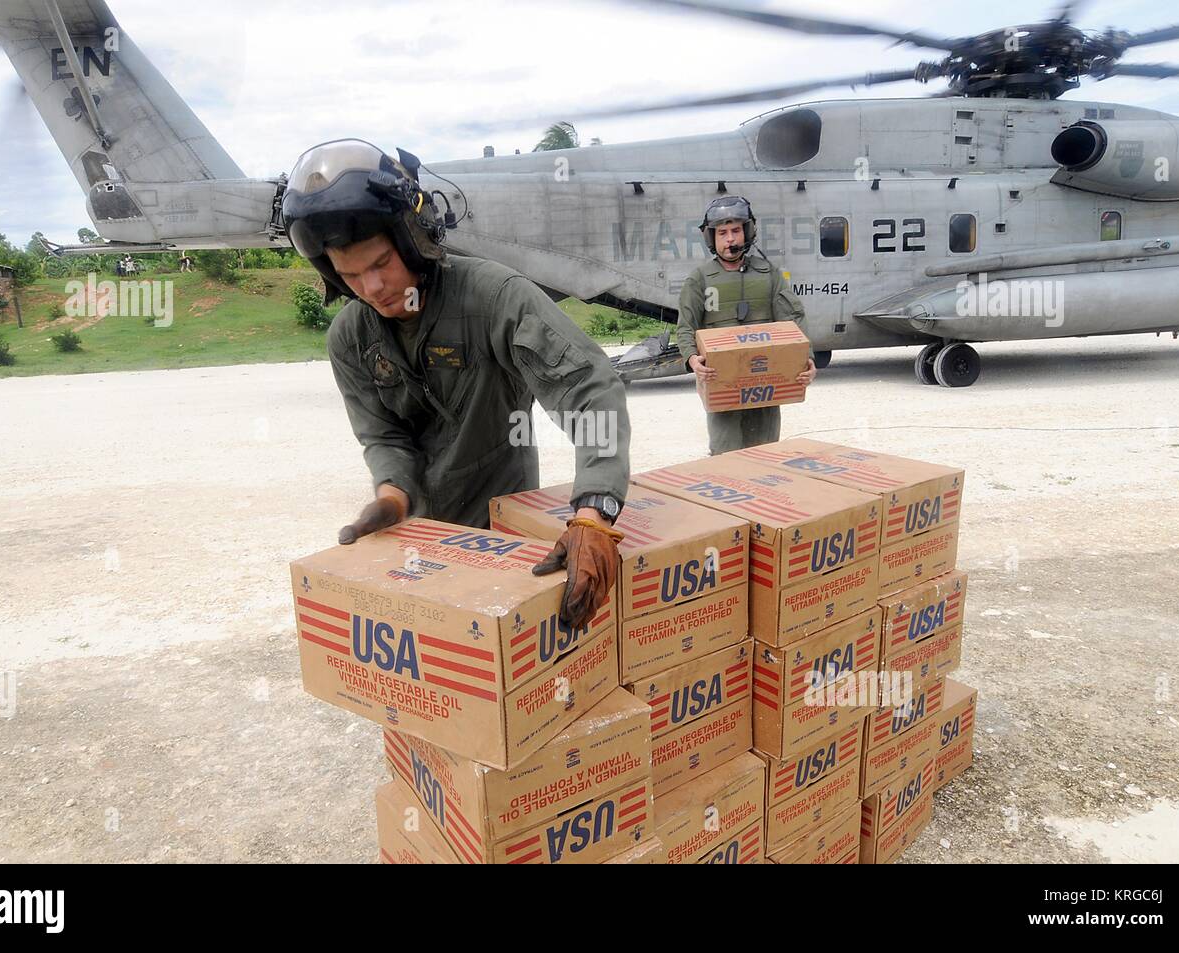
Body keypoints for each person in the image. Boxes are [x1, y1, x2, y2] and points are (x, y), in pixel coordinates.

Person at [281, 139, 631, 628]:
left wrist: (594, 510)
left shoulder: (493, 297)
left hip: (505, 530)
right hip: (418, 540)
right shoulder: (350, 336)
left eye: (381, 264)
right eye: (351, 275)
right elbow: (382, 435)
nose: (372, 288)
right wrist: (391, 496)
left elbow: (587, 387)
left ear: (412, 239)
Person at [676, 195, 817, 455]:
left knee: (766, 453)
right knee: (725, 454)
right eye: (722, 233)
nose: (730, 239)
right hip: (723, 383)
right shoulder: (700, 280)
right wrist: (693, 360)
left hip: (766, 382)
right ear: (712, 238)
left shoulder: (769, 275)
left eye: (736, 230)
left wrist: (806, 360)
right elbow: (686, 326)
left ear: (747, 232)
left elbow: (793, 321)